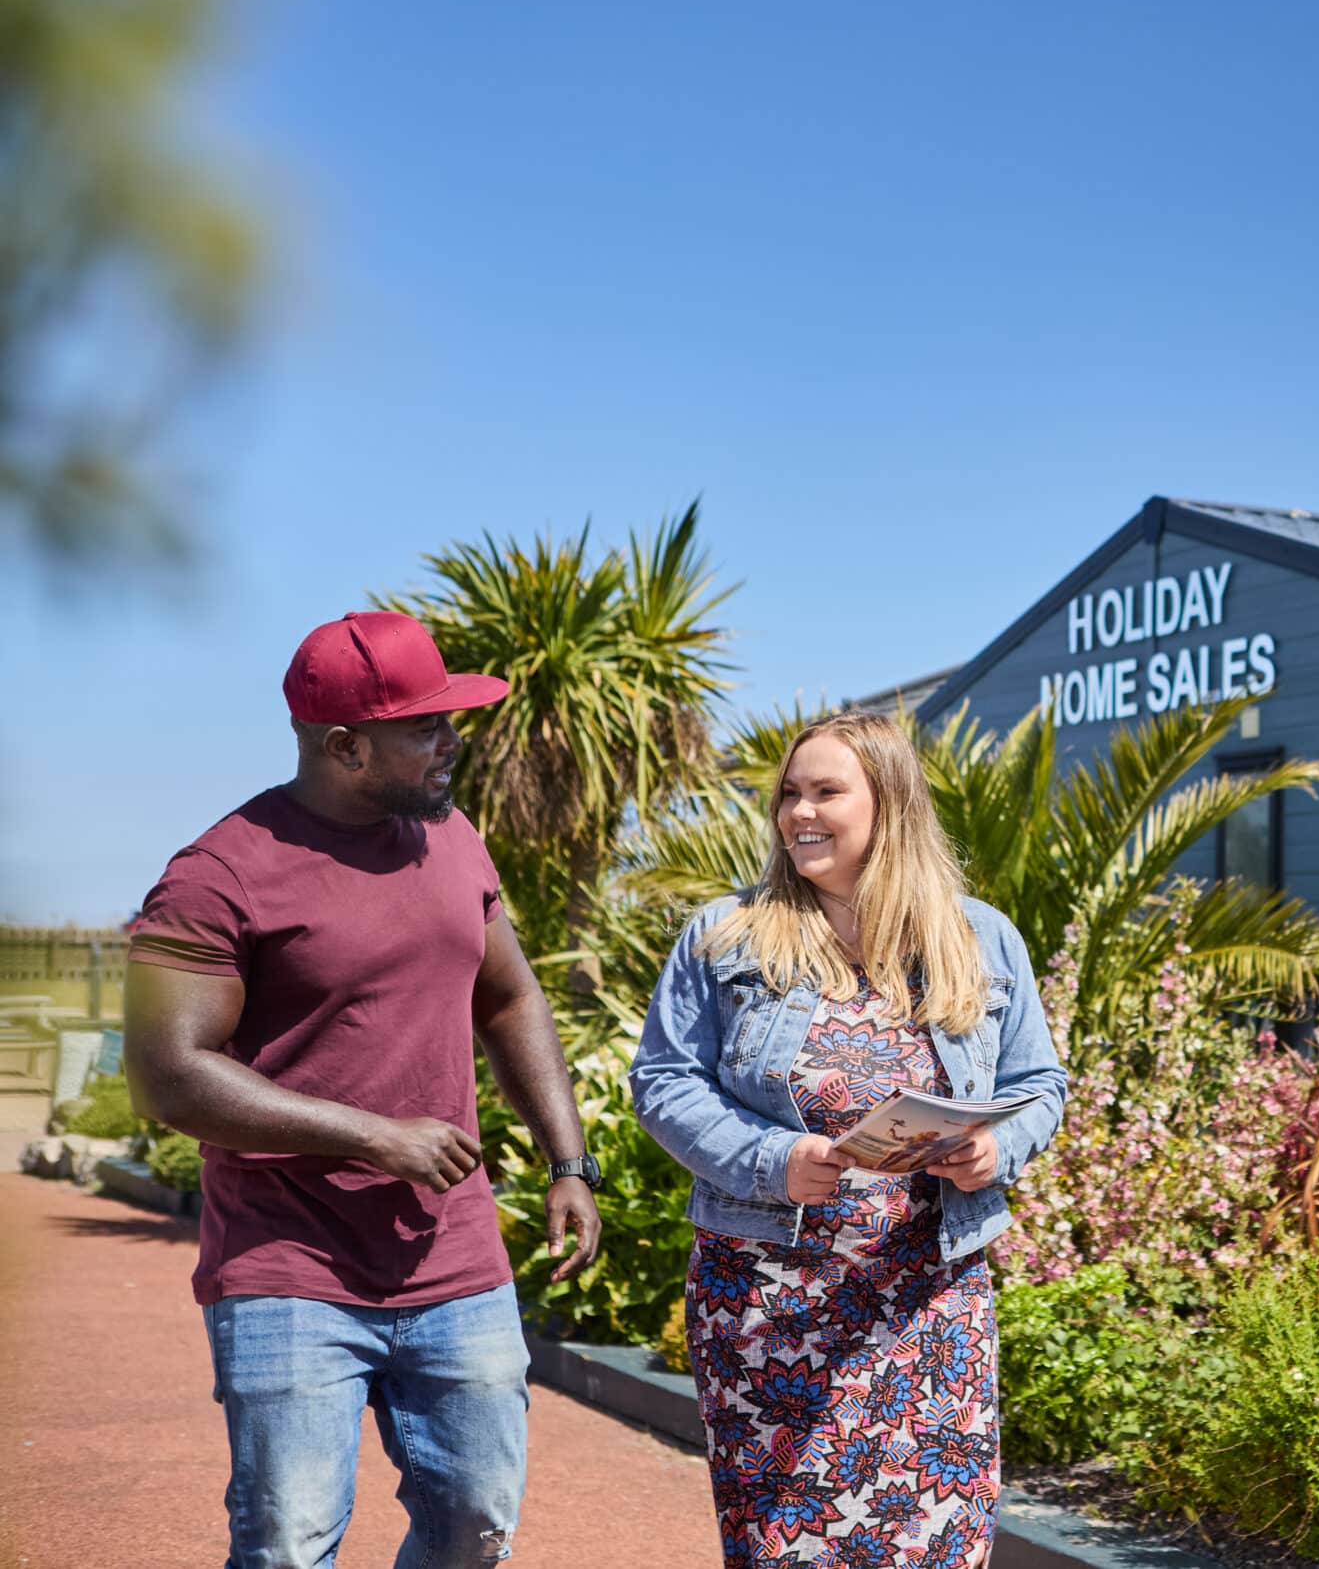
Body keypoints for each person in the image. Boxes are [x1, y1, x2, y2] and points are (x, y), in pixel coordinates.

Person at [124, 610, 603, 1569]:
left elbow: (509, 997)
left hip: (453, 1259)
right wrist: (374, 1137)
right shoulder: (218, 874)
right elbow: (165, 1074)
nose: (452, 741)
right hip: (288, 1263)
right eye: (425, 726)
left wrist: (568, 1159)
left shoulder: (453, 839)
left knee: (475, 1524)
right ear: (345, 745)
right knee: (288, 1545)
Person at [631, 712, 1067, 1568]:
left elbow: (1038, 1084)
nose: (799, 811)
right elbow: (662, 1080)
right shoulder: (729, 936)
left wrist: (996, 1148)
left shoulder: (980, 937)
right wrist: (774, 1161)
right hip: (769, 1308)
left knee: (938, 1545)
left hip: (931, 1307)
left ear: (889, 805)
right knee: (789, 1550)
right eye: (789, 793)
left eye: (826, 791)